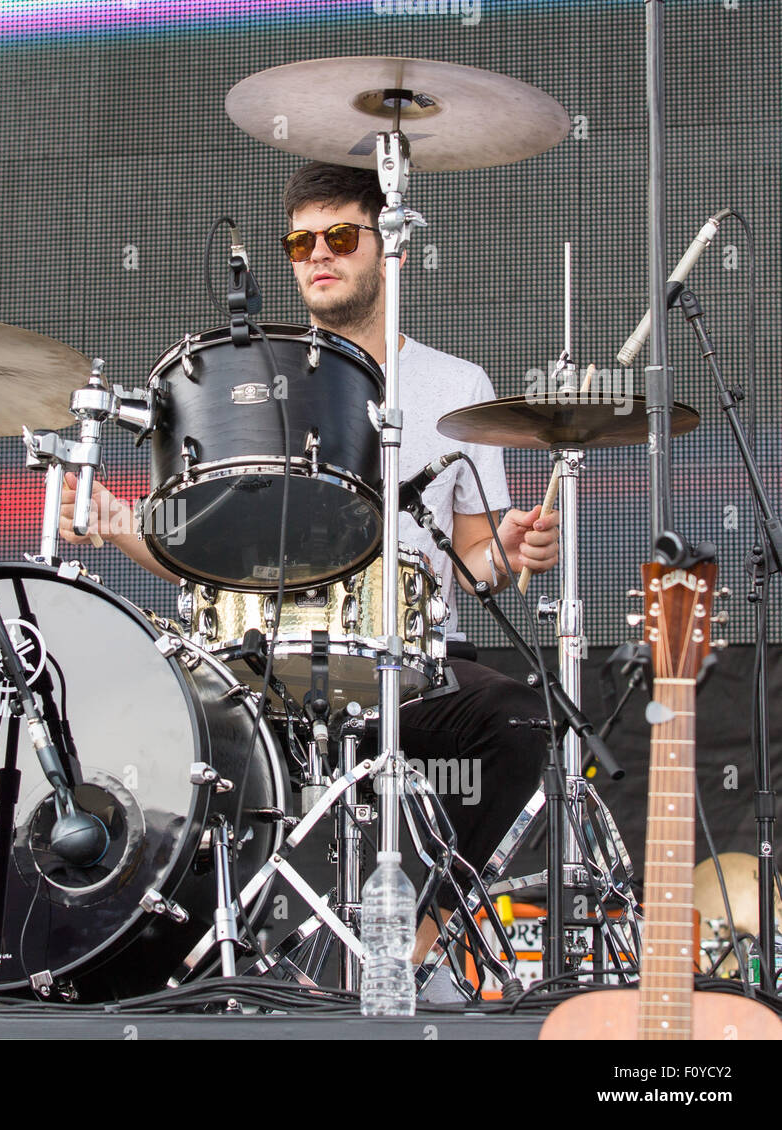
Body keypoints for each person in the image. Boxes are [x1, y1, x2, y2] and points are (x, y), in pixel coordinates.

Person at [58, 161, 559, 976]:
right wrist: (116, 525)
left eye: (338, 238)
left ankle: (417, 943)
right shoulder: (245, 384)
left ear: (388, 248)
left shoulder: (459, 386)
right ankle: (166, 965)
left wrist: (510, 549)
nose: (316, 256)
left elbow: (474, 560)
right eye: (299, 243)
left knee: (519, 721)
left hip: (413, 664)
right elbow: (199, 557)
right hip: (263, 669)